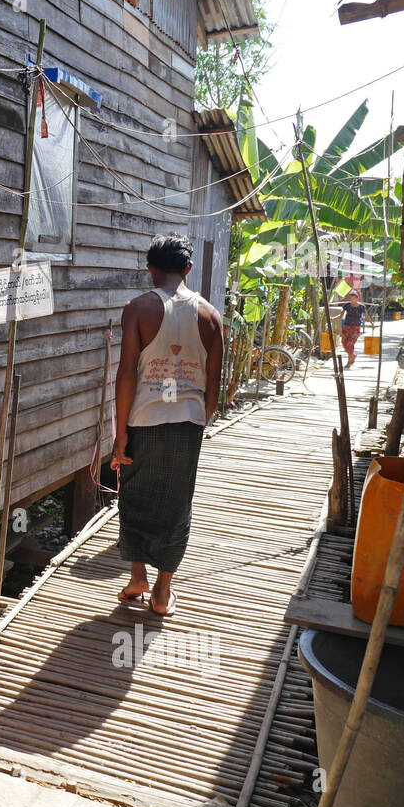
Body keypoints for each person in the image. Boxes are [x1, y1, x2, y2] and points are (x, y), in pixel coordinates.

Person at [111, 235, 224, 617]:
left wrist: (121, 432)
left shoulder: (138, 308)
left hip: (144, 417)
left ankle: (137, 575)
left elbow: (127, 373)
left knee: (135, 494)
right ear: (188, 270)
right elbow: (214, 382)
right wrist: (199, 420)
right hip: (188, 420)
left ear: (151, 270)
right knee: (177, 503)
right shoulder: (210, 316)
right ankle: (162, 591)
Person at [337, 290, 374, 369]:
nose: (352, 300)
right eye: (351, 298)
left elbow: (366, 316)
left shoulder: (361, 307)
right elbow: (341, 316)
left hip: (355, 328)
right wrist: (333, 318)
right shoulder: (347, 305)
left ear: (357, 298)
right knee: (344, 343)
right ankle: (352, 356)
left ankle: (349, 362)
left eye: (353, 298)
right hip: (347, 327)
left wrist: (371, 323)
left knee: (350, 344)